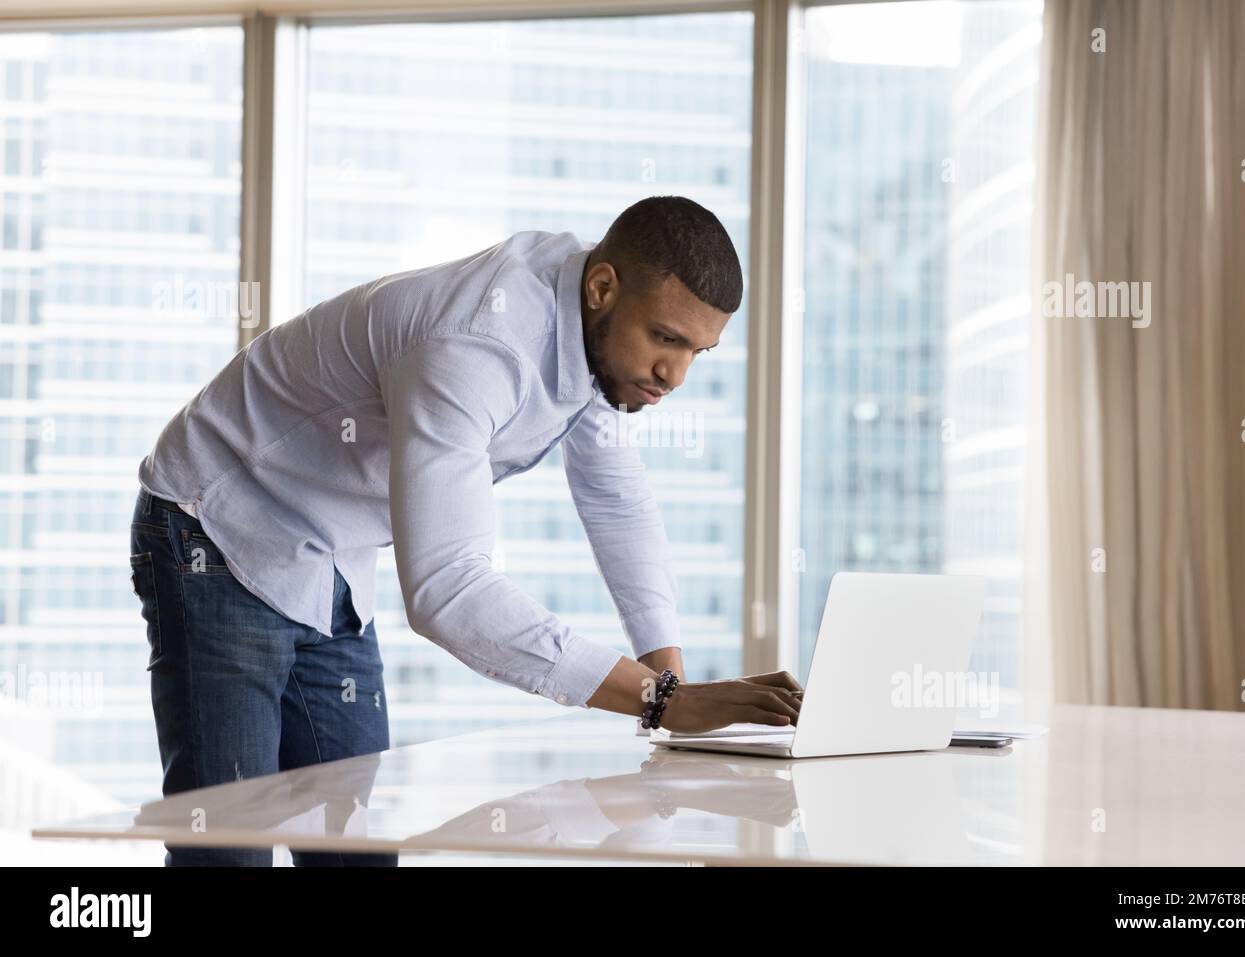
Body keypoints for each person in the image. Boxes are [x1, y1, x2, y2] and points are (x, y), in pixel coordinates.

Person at [128, 195, 803, 866]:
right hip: (216, 527)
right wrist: (659, 702)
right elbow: (448, 588)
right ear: (604, 288)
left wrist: (671, 694)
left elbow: (614, 495)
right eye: (666, 339)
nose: (675, 375)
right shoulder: (479, 345)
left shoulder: (594, 332)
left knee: (354, 854)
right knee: (227, 847)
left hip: (332, 556)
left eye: (698, 352)